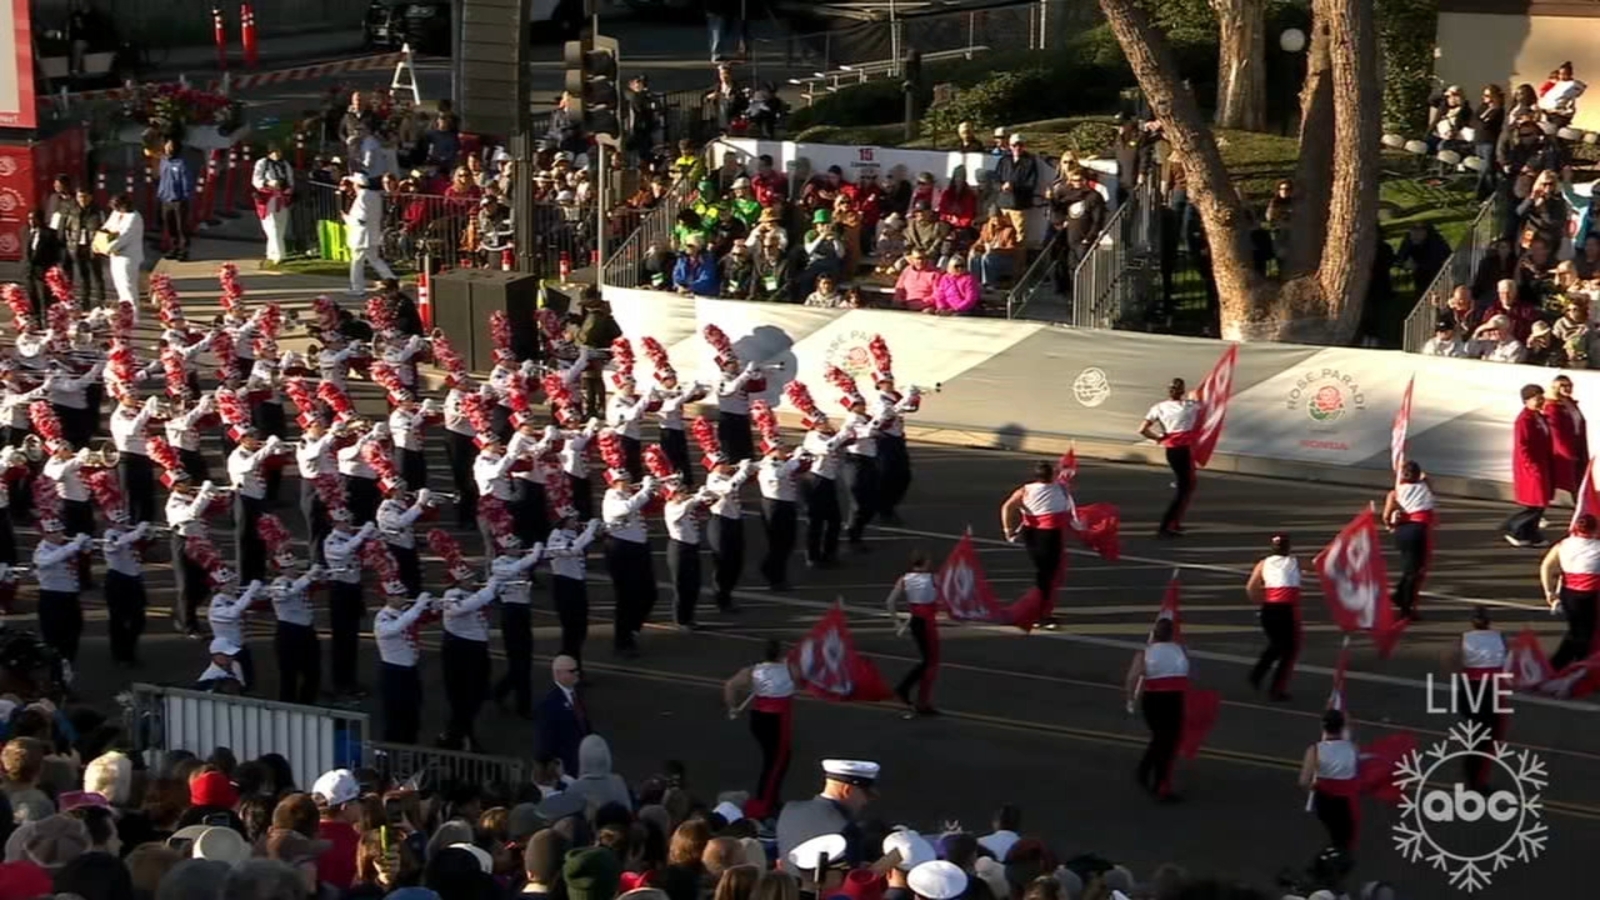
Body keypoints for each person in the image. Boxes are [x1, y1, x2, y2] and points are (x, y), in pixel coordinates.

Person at [723, 640, 798, 821]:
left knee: (773, 760)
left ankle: (770, 799)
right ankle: (764, 804)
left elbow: (730, 686)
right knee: (777, 762)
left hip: (758, 719)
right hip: (778, 721)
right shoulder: (790, 669)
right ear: (780, 654)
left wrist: (732, 707)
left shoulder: (753, 671)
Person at [999, 461, 1070, 629]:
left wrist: (1007, 529)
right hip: (1049, 536)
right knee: (1047, 575)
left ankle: (1042, 609)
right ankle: (1040, 615)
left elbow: (1007, 507)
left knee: (1045, 573)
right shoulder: (1057, 488)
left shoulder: (1026, 490)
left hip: (1032, 534)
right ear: (1052, 476)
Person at [1125, 617, 1188, 800]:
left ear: (1154, 633)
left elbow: (1132, 678)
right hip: (1174, 700)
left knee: (1160, 738)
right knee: (1167, 742)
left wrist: (1130, 699)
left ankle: (1144, 772)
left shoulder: (1145, 654)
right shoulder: (1181, 650)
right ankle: (1159, 783)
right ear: (1172, 634)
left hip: (1153, 700)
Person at [1448, 606, 1508, 790]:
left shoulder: (1464, 638)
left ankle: (1473, 776)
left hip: (1470, 689)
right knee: (1485, 738)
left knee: (1479, 734)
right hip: (1489, 692)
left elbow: (1450, 660)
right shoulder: (1500, 638)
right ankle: (1475, 780)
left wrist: (1465, 671)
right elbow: (1508, 660)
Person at [438, 575, 501, 751]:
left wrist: (496, 589)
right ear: (458, 581)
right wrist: (488, 590)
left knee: (477, 694)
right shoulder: (452, 595)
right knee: (463, 697)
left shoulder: (471, 593)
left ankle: (456, 734)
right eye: (467, 579)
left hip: (477, 650)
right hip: (460, 651)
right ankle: (460, 737)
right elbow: (462, 608)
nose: (472, 581)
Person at [774, 760, 879, 863]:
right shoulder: (847, 829)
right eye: (867, 795)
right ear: (847, 790)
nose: (866, 802)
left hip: (788, 880)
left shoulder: (790, 810)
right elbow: (851, 877)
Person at [489, 534, 546, 718]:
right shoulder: (498, 564)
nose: (517, 548)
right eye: (513, 546)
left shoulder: (521, 559)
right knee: (518, 662)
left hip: (523, 612)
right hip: (511, 612)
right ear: (504, 548)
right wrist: (534, 554)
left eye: (518, 545)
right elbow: (515, 569)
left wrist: (539, 552)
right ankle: (524, 707)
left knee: (524, 661)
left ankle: (499, 691)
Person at [324, 515, 379, 698]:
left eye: (349, 519)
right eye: (344, 520)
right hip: (340, 591)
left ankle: (350, 681)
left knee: (352, 639)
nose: (348, 523)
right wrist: (363, 533)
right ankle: (340, 684)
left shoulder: (350, 536)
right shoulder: (331, 541)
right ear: (335, 523)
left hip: (353, 589)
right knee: (342, 640)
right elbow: (345, 550)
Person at [1140, 378, 1200, 539]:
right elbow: (1201, 403)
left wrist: (1159, 437)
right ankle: (1166, 525)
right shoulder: (1189, 406)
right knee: (1185, 488)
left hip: (1172, 450)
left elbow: (1142, 429)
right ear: (1181, 391)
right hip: (1183, 450)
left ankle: (1172, 523)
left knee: (1186, 485)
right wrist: (1194, 396)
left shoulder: (1159, 407)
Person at [373, 588, 434, 744]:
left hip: (410, 671)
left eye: (405, 594)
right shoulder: (382, 618)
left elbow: (424, 619)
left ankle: (411, 746)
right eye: (400, 595)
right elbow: (395, 628)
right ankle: (391, 752)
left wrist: (435, 608)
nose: (404, 598)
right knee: (395, 716)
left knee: (412, 712)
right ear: (389, 598)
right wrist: (418, 606)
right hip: (393, 672)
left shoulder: (405, 612)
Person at [1540, 514, 1600, 670]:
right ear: (1595, 529)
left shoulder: (1563, 545)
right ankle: (1568, 665)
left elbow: (1546, 566)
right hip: (1589, 596)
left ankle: (1568, 663)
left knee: (1577, 630)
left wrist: (1550, 592)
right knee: (1583, 633)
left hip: (1568, 594)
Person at [1245, 534, 1300, 701]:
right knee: (1288, 649)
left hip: (1269, 609)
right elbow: (1318, 564)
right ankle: (1275, 688)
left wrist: (1262, 604)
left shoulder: (1263, 564)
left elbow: (1250, 588)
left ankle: (1257, 674)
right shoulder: (1294, 562)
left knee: (1276, 645)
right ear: (1287, 548)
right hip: (1285, 610)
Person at [545, 511, 602, 674]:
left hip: (577, 584)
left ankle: (571, 665)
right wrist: (589, 530)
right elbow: (572, 550)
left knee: (581, 630)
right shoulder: (555, 536)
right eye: (572, 519)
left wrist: (595, 532)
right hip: (565, 585)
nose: (576, 521)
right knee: (571, 632)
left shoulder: (573, 533)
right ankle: (569, 668)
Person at [886, 551, 939, 718]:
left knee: (927, 660)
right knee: (930, 662)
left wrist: (898, 624)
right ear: (925, 563)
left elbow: (890, 602)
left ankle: (914, 696)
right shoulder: (932, 579)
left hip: (915, 622)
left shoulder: (904, 579)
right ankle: (911, 693)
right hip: (927, 623)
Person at [32, 520, 91, 669]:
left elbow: (84, 554)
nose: (60, 535)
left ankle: (67, 666)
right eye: (55, 532)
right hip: (52, 599)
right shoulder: (42, 550)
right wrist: (74, 545)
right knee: (54, 639)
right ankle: (55, 673)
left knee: (73, 634)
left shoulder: (64, 546)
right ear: (46, 534)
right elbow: (48, 561)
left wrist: (86, 544)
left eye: (60, 531)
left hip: (70, 598)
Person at [1299, 709, 1357, 855]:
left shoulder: (1314, 750)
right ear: (1342, 726)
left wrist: (1311, 792)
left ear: (1323, 727)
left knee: (1334, 833)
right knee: (1343, 837)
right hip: (1344, 802)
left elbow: (1303, 781)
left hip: (1324, 800)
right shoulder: (1352, 748)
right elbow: (1348, 732)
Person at [1384, 460, 1436, 620]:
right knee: (1414, 572)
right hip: (1417, 530)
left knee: (1409, 569)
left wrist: (1390, 525)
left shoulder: (1395, 493)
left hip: (1402, 531)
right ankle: (1405, 607)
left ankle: (1399, 596)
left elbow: (1386, 516)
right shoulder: (1425, 486)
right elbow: (1426, 478)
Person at [101, 508, 152, 668]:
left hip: (134, 579)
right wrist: (137, 532)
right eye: (119, 522)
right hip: (118, 580)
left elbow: (144, 544)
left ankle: (129, 649)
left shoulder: (128, 534)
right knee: (118, 620)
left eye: (124, 521)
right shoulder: (109, 536)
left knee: (139, 619)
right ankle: (121, 655)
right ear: (111, 523)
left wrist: (148, 533)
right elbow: (115, 545)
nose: (123, 525)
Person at [1506, 384, 1554, 547]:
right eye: (1536, 398)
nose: (1541, 400)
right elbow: (1522, 446)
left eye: (1541, 396)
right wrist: (1531, 466)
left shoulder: (1538, 417)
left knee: (1539, 503)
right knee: (1536, 503)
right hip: (1531, 467)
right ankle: (1514, 527)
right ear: (1527, 400)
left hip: (1542, 463)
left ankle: (1530, 534)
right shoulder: (1524, 420)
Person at [664, 480, 716, 630]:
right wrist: (698, 497)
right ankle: (681, 619)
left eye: (683, 490)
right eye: (679, 492)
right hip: (679, 548)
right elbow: (686, 506)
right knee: (682, 586)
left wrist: (706, 494)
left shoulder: (686, 504)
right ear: (671, 495)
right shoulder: (672, 507)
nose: (683, 494)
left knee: (694, 585)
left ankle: (689, 617)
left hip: (692, 547)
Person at [756, 432, 804, 592]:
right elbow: (777, 475)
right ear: (770, 451)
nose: (783, 449)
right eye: (779, 448)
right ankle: (776, 578)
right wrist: (794, 460)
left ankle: (769, 568)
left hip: (786, 505)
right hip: (775, 507)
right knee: (779, 544)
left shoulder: (780, 462)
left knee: (788, 542)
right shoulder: (769, 465)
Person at [270, 565, 322, 705]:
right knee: (289, 675)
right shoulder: (277, 583)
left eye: (293, 565)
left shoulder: (298, 581)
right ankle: (287, 709)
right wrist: (308, 577)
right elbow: (286, 593)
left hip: (307, 631)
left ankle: (306, 705)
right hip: (289, 632)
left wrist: (319, 575)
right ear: (280, 569)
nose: (293, 569)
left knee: (313, 673)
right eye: (287, 567)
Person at [207, 570, 264, 691]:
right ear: (219, 586)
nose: (233, 585)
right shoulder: (217, 603)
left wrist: (258, 591)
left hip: (240, 648)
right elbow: (233, 613)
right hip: (226, 653)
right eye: (228, 583)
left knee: (248, 682)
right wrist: (250, 591)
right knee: (230, 684)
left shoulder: (233, 598)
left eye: (233, 581)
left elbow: (260, 598)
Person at [535, 655, 589, 776]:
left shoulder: (576, 694)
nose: (577, 673)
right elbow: (545, 741)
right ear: (558, 674)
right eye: (572, 671)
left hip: (581, 762)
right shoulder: (549, 703)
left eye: (577, 670)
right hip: (565, 768)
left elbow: (584, 724)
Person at [344, 173, 397, 297]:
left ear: (357, 184)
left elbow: (360, 219)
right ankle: (392, 279)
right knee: (375, 259)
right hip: (372, 233)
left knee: (357, 262)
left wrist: (347, 218)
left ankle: (357, 288)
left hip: (362, 235)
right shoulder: (374, 196)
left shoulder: (362, 197)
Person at [59, 188, 106, 309]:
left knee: (97, 276)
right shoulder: (73, 211)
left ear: (90, 197)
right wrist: (70, 242)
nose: (82, 200)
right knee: (83, 276)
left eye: (85, 197)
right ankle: (85, 302)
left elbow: (104, 229)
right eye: (80, 197)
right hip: (78, 246)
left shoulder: (97, 211)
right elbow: (67, 228)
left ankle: (101, 302)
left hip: (93, 246)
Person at [1546, 374, 1588, 504]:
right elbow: (1556, 433)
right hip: (1562, 451)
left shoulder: (1570, 403)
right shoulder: (1552, 407)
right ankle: (1538, 511)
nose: (1567, 388)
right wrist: (1567, 452)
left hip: (1576, 445)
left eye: (1569, 385)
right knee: (1558, 482)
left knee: (1578, 480)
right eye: (1562, 385)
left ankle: (1581, 510)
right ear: (1555, 388)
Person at [252, 144, 294, 267]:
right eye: (274, 152)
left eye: (279, 152)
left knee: (281, 224)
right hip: (268, 198)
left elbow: (290, 180)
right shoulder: (262, 163)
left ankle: (272, 252)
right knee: (271, 225)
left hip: (282, 198)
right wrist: (268, 183)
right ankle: (279, 255)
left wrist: (287, 189)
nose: (277, 155)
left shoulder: (285, 165)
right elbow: (256, 180)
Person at [102, 194, 145, 307]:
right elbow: (107, 227)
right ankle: (125, 314)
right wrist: (99, 240)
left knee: (128, 287)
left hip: (128, 257)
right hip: (115, 255)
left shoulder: (134, 217)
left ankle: (133, 316)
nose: (115, 210)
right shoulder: (116, 213)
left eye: (117, 207)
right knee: (119, 285)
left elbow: (125, 236)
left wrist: (107, 248)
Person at [156, 139, 193, 260]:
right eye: (167, 145)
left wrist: (185, 197)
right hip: (165, 199)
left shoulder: (181, 163)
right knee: (169, 225)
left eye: (170, 146)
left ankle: (184, 250)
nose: (167, 148)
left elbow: (186, 180)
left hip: (178, 200)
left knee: (181, 226)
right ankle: (174, 247)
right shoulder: (163, 161)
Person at [22, 210, 59, 316]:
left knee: (44, 297)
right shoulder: (24, 231)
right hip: (28, 270)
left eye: (34, 219)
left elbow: (54, 252)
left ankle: (47, 320)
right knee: (31, 296)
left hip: (42, 270)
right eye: (29, 219)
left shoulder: (49, 234)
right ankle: (35, 320)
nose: (31, 221)